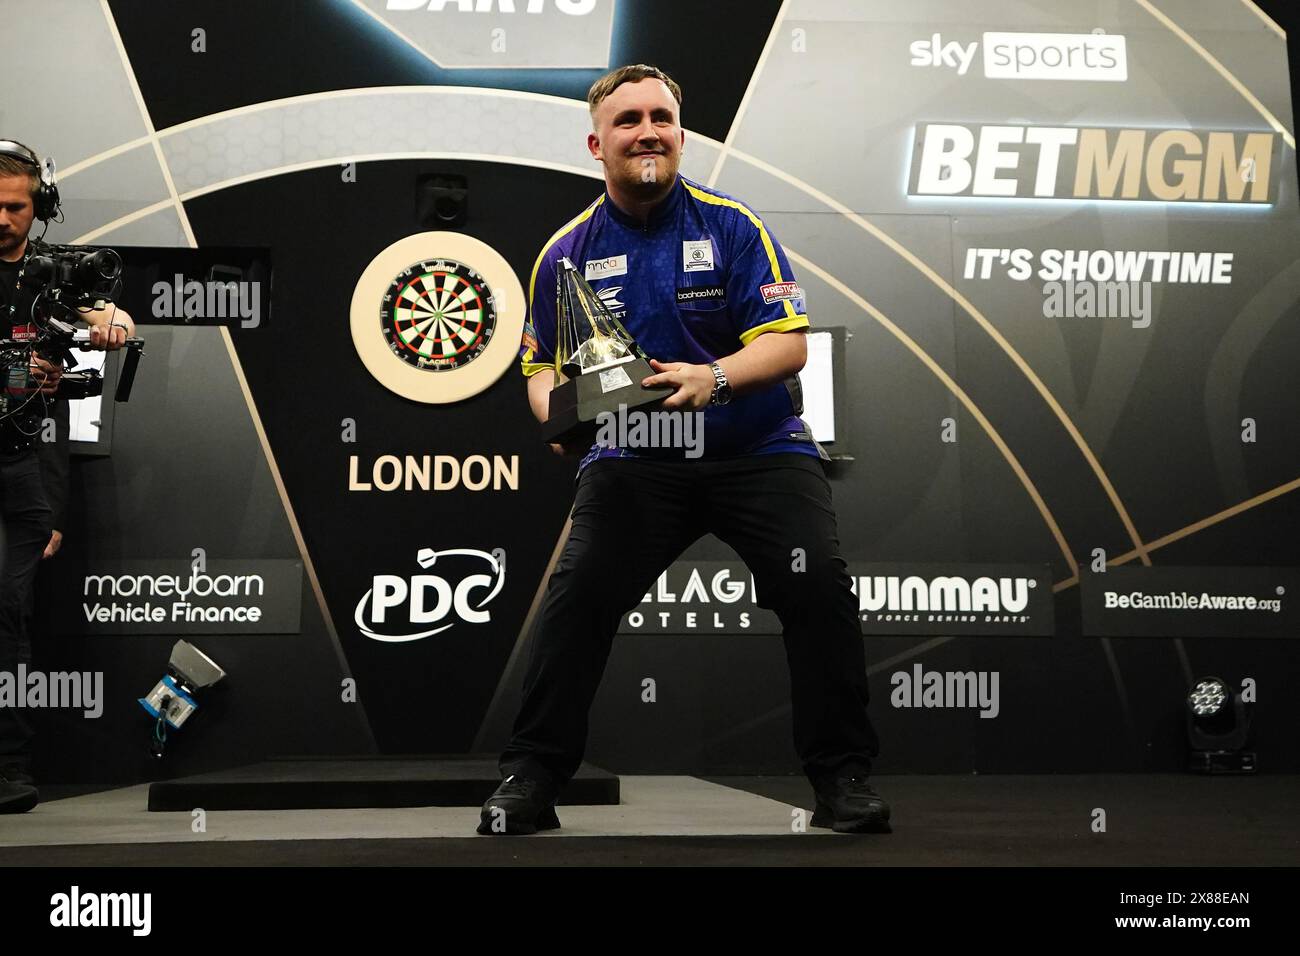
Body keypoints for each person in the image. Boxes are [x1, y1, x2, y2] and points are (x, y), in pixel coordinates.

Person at [479, 66, 889, 835]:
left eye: (662, 117)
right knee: (575, 603)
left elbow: (789, 345)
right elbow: (540, 368)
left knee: (818, 589)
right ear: (597, 143)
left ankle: (842, 779)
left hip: (757, 448)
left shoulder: (731, 225)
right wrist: (559, 419)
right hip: (636, 458)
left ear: (680, 132)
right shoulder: (564, 253)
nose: (648, 131)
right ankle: (531, 777)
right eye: (629, 119)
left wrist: (717, 377)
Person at [0, 139, 135, 813]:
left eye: (15, 206)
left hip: (23, 468)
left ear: (38, 206)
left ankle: (8, 765)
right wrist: (28, 373)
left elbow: (98, 323)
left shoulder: (58, 272)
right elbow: (22, 372)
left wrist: (110, 321)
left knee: (6, 612)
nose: (2, 218)